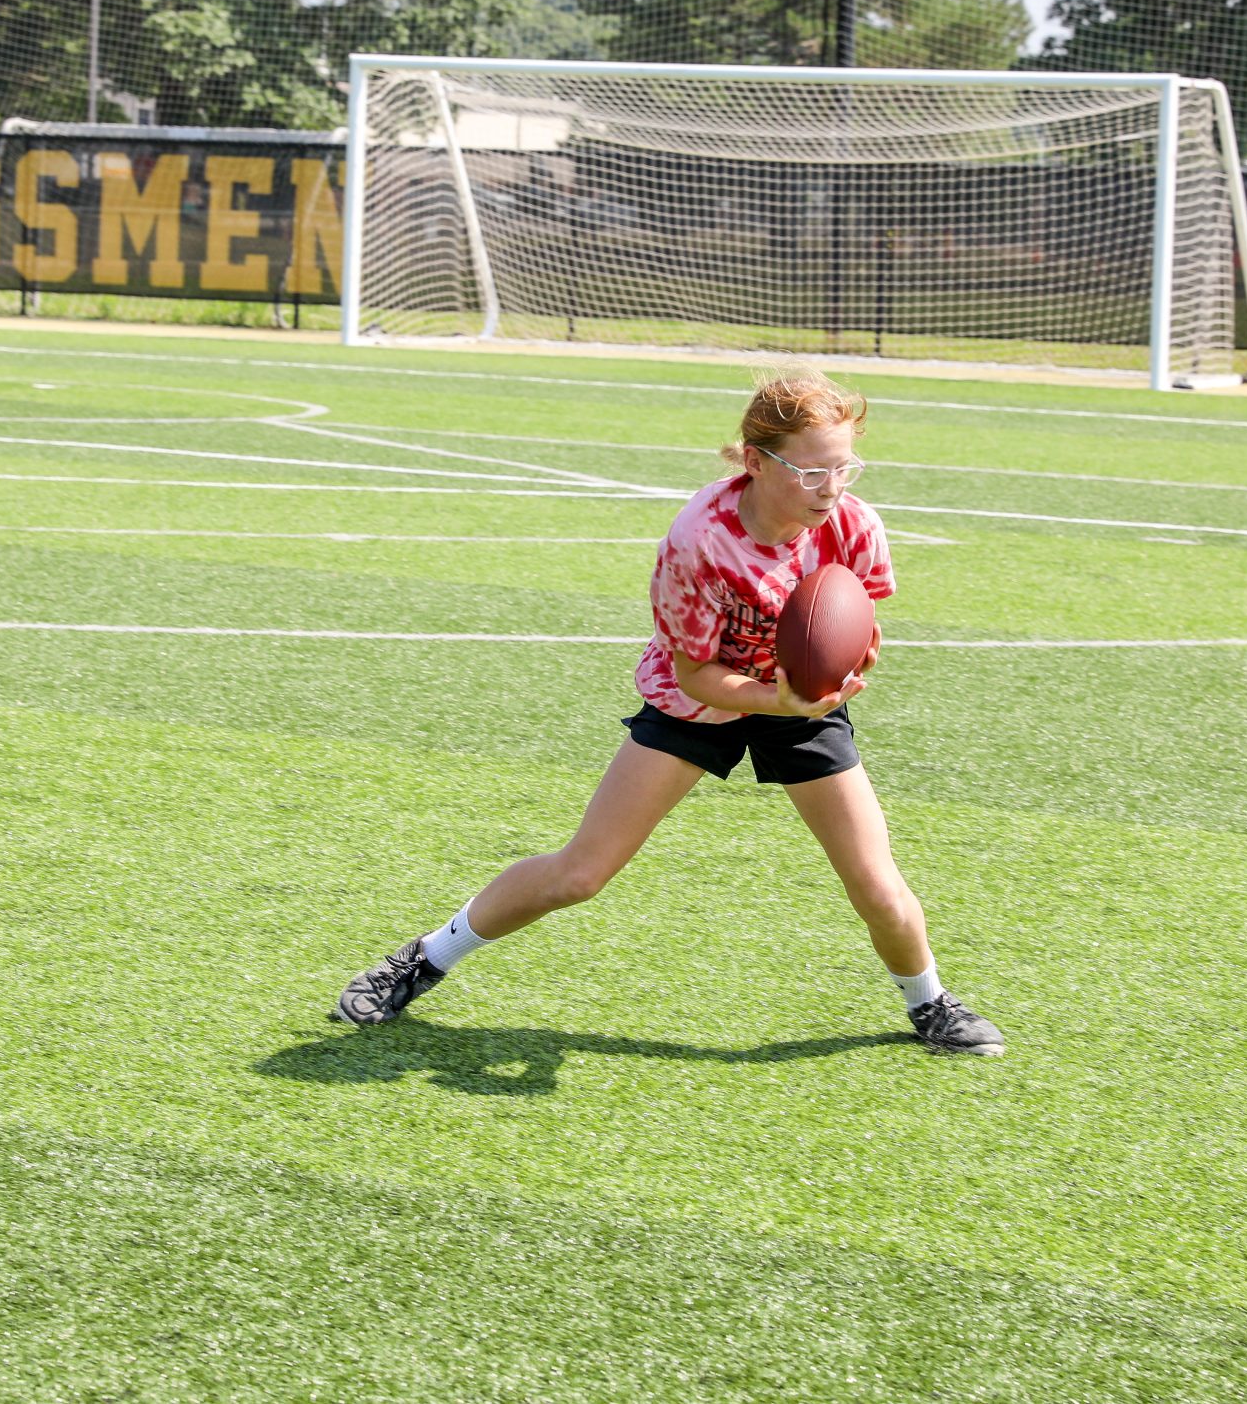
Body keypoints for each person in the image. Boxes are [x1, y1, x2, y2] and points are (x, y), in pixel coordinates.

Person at [332, 370, 1005, 1057]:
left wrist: (839, 666)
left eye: (843, 467)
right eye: (810, 471)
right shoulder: (699, 539)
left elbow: (857, 622)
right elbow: (696, 673)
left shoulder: (853, 523)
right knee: (580, 874)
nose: (830, 488)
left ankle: (931, 1002)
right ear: (754, 460)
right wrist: (773, 696)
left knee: (876, 883)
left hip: (799, 701)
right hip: (697, 698)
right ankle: (420, 960)